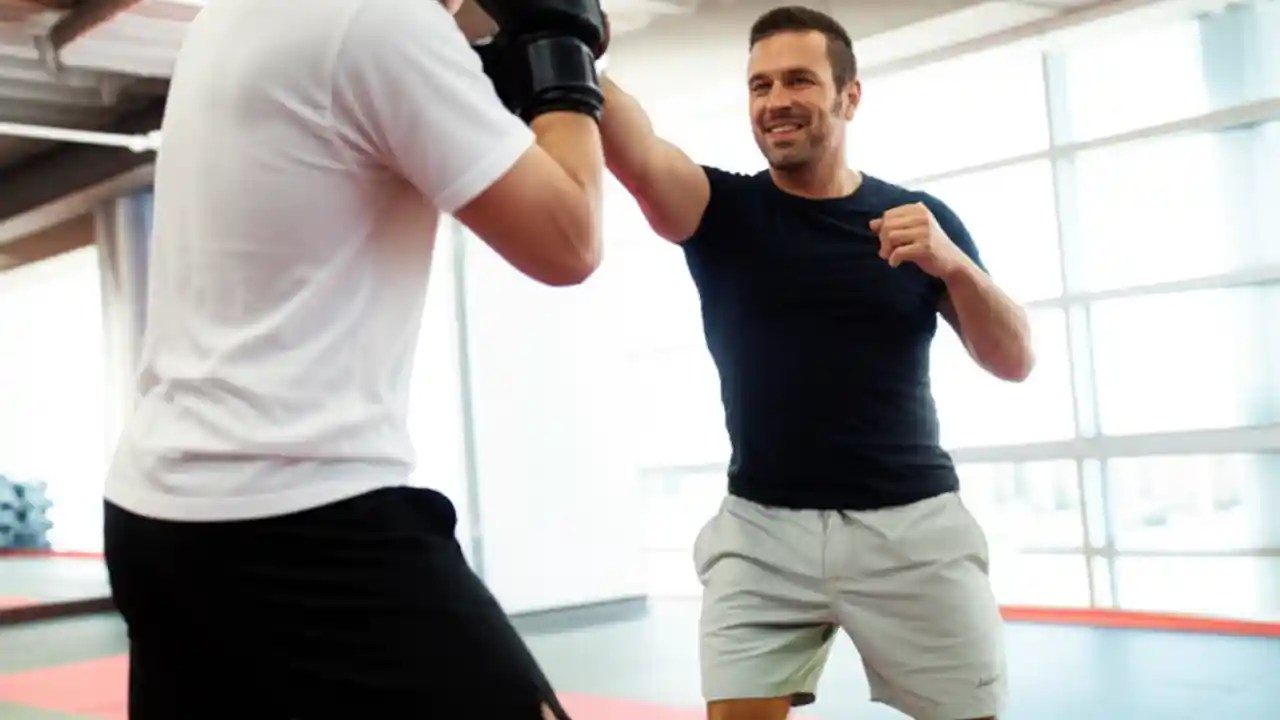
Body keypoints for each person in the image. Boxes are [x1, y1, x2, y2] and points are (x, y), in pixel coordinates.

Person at [101, 0, 608, 717]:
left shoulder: (237, 16)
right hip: (300, 517)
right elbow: (569, 240)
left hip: (159, 517)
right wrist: (564, 60)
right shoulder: (383, 21)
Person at [600, 5, 1034, 720]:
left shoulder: (919, 219)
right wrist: (572, 41)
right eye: (759, 85)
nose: (775, 102)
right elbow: (640, 151)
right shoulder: (723, 211)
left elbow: (1014, 360)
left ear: (848, 96)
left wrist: (956, 267)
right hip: (761, 531)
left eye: (798, 80)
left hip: (912, 528)